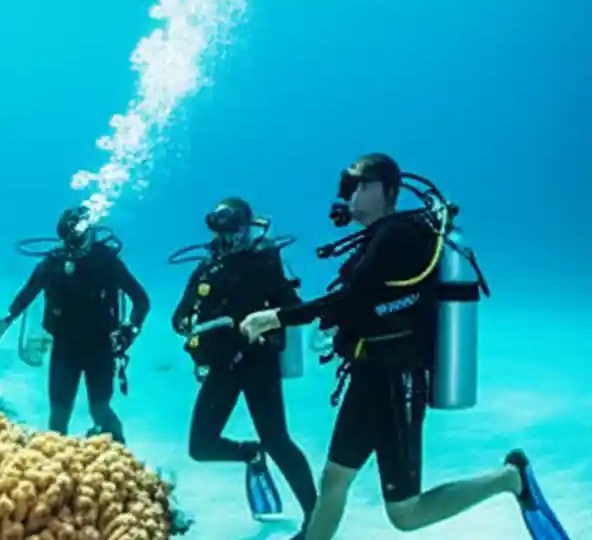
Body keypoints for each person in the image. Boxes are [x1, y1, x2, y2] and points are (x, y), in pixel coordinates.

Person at [240, 153, 569, 540]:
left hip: (397, 379)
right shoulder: (378, 239)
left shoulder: (400, 234)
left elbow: (352, 302)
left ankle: (512, 479)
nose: (354, 196)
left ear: (391, 191)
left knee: (405, 514)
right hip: (367, 376)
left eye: (365, 186)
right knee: (333, 481)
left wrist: (274, 317)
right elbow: (358, 302)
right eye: (353, 188)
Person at [170, 197, 317, 530]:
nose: (230, 238)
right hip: (221, 365)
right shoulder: (207, 266)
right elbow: (180, 314)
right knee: (201, 447)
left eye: (236, 229)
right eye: (223, 230)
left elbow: (293, 309)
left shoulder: (263, 262)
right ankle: (250, 453)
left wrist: (265, 324)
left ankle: (316, 516)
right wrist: (185, 327)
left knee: (277, 438)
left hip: (256, 363)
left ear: (247, 228)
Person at [0, 205, 150, 444]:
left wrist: (130, 331)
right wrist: (8, 318)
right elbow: (30, 291)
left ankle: (119, 461)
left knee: (100, 409)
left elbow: (141, 300)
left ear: (91, 234)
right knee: (58, 412)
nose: (75, 246)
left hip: (100, 347)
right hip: (64, 347)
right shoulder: (53, 263)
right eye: (70, 239)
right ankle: (54, 468)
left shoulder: (107, 263)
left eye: (80, 237)